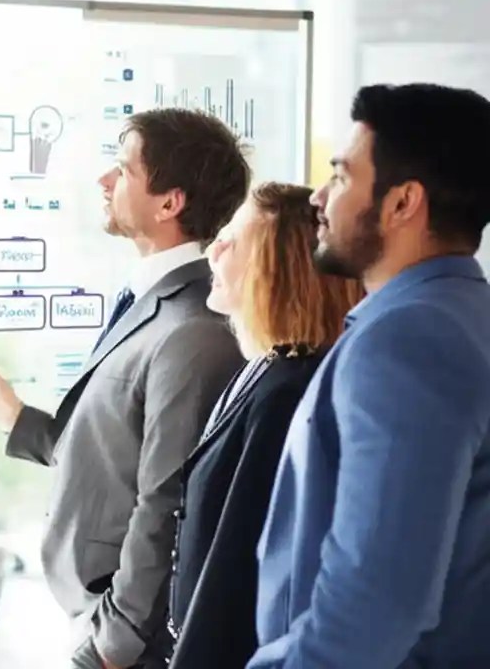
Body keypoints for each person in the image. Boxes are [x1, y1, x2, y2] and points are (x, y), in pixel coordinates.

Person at [0, 108, 249, 669]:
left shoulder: (193, 332)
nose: (104, 180)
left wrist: (114, 642)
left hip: (127, 643)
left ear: (170, 203)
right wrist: (13, 415)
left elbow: (166, 502)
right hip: (96, 621)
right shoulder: (150, 304)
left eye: (124, 169)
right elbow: (115, 454)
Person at [249, 84, 490, 668]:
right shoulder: (458, 315)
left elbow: (377, 601)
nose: (318, 198)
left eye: (340, 176)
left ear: (403, 202)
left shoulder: (409, 338)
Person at [163, 182, 363, 669]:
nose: (212, 252)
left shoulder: (288, 392)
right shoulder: (265, 368)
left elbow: (235, 559)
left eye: (230, 242)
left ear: (275, 269)